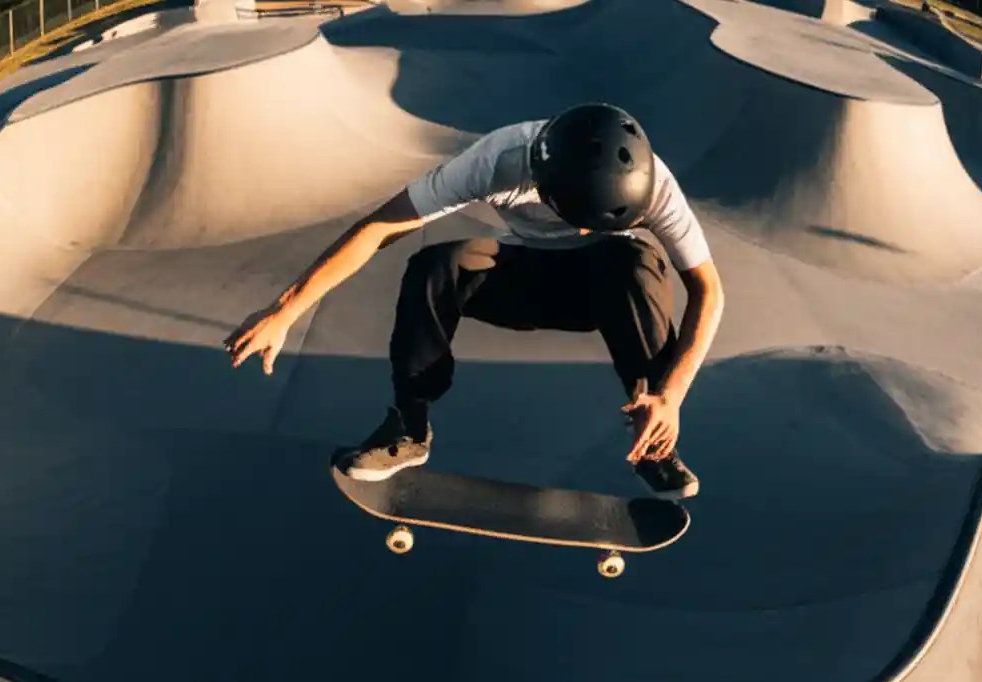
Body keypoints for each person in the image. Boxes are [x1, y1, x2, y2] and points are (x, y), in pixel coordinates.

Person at [223, 103, 724, 499]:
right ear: (546, 188)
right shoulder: (499, 160)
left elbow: (709, 289)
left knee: (634, 263)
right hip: (527, 283)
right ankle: (408, 424)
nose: (587, 229)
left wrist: (673, 395)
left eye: (601, 221)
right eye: (580, 217)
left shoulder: (653, 184)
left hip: (607, 289)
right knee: (436, 264)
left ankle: (656, 440)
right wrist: (285, 310)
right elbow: (380, 229)